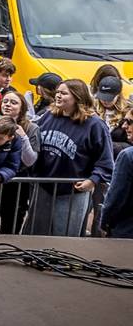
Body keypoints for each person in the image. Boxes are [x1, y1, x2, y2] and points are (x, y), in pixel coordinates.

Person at [24, 79, 113, 236]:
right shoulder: (49, 116)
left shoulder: (94, 125)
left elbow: (105, 161)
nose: (58, 96)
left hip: (72, 192)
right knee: (36, 235)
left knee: (64, 238)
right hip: (44, 188)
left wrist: (92, 180)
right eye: (57, 92)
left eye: (64, 93)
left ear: (78, 97)